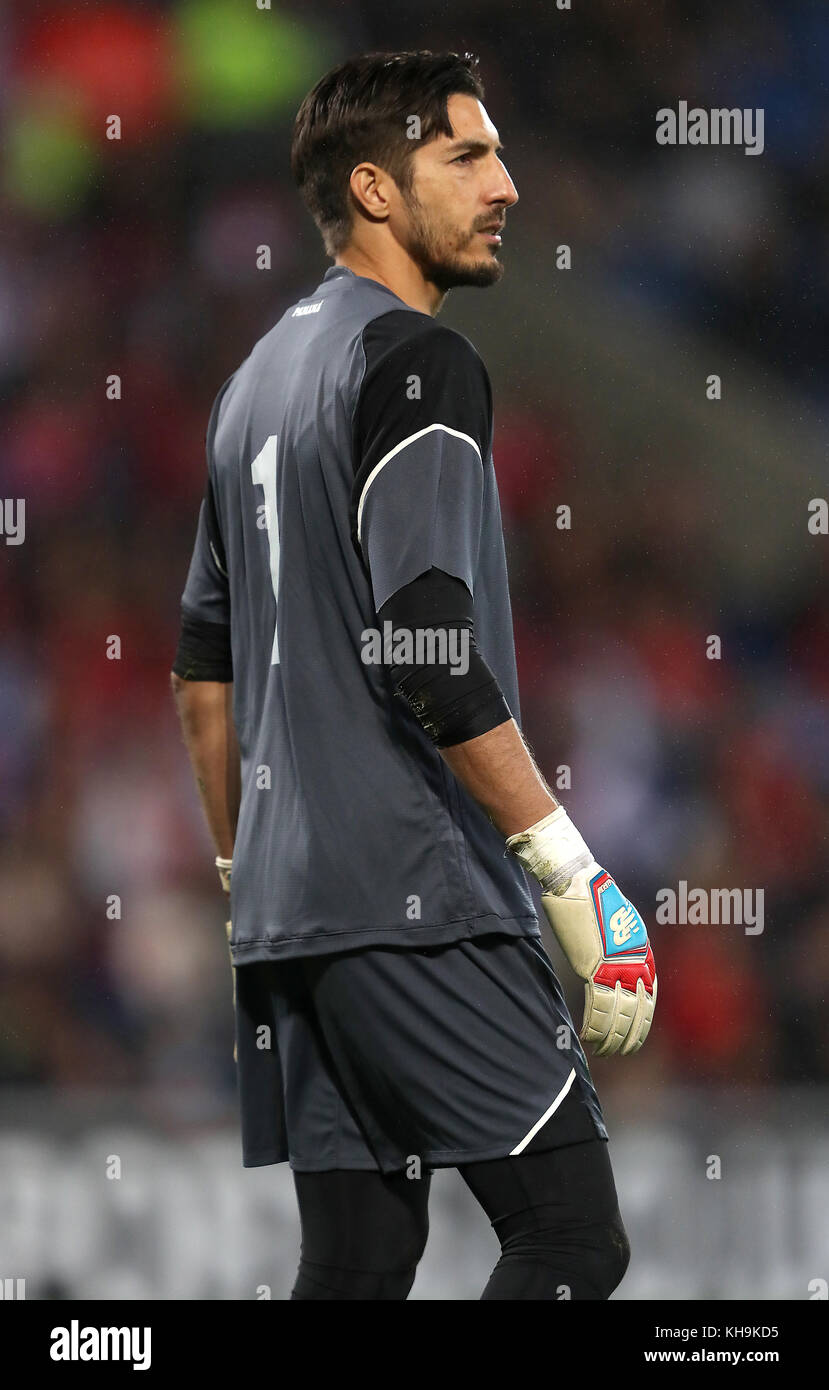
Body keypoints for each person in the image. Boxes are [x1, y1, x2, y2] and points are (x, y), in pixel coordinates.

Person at [171, 49, 656, 1300]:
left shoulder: (249, 390)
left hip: (291, 916)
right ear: (378, 190)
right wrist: (568, 867)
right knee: (567, 1238)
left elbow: (199, 680)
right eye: (469, 156)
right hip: (413, 895)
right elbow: (425, 645)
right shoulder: (415, 363)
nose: (506, 183)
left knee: (360, 1261)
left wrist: (247, 869)